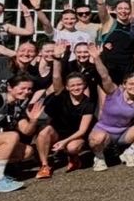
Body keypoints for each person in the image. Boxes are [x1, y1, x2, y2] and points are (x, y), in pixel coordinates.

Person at [87, 45, 134, 171]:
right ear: (124, 85)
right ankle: (99, 157)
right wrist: (97, 58)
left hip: (123, 133)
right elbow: (104, 76)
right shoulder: (114, 92)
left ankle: (129, 153)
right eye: (131, 84)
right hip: (104, 130)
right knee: (97, 140)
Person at [34, 45, 95, 177]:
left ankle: (73, 158)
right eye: (72, 85)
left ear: (84, 86)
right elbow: (56, 77)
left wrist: (65, 142)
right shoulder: (62, 95)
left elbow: (82, 130)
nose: (76, 88)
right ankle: (44, 165)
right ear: (67, 87)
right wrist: (56, 58)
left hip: (75, 135)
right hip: (58, 133)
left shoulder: (88, 103)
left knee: (72, 147)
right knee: (44, 132)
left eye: (79, 85)